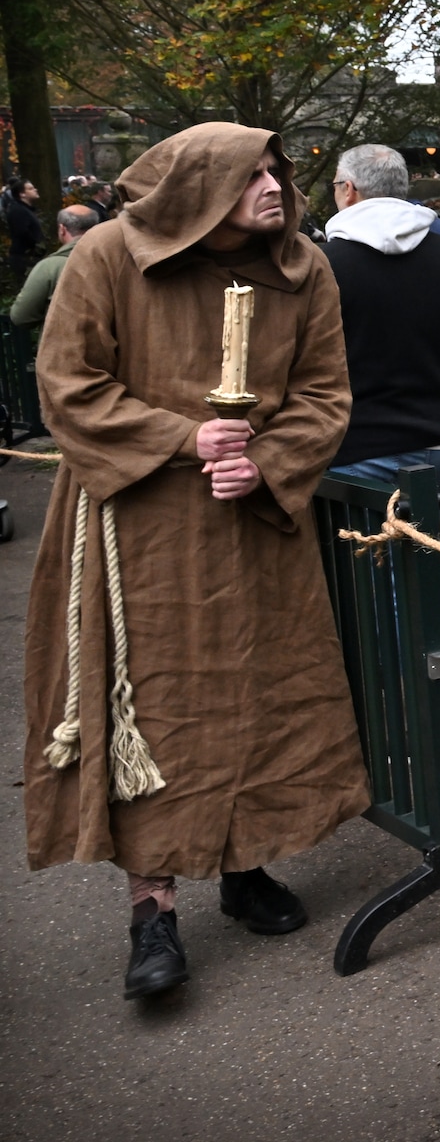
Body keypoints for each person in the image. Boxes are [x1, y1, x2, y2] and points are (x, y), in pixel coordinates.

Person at [21, 125, 361, 1001]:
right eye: (250, 175)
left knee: (261, 695)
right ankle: (153, 910)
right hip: (140, 528)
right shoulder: (105, 256)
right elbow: (66, 385)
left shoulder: (304, 268)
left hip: (254, 531)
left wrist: (270, 460)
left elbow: (325, 393)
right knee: (156, 711)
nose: (273, 186)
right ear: (199, 187)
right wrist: (183, 436)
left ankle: (246, 865)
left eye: (276, 170)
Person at [321, 145, 440, 572]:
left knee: (377, 578)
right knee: (416, 565)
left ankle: (413, 640)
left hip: (364, 444)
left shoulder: (326, 267)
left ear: (348, 190)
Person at [12, 204, 100, 336]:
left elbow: (22, 317)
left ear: (62, 229)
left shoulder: (50, 267)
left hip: (64, 349)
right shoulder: (117, 260)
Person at [6, 176, 44, 284]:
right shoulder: (18, 211)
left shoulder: (25, 210)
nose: (35, 189)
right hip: (25, 258)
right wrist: (36, 246)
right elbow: (22, 233)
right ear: (22, 194)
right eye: (31, 188)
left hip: (28, 257)